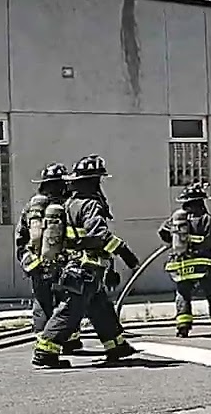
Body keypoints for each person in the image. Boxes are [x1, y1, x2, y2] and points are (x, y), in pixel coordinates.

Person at [31, 155, 140, 369]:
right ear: (93, 181)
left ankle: (116, 345)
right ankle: (45, 350)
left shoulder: (70, 202)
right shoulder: (90, 204)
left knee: (100, 307)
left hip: (77, 267)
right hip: (85, 269)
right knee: (71, 310)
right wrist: (124, 252)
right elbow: (99, 236)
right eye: (98, 179)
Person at [14, 162, 82, 354]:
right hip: (61, 264)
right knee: (66, 301)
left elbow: (22, 239)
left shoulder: (31, 207)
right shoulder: (65, 207)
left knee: (43, 301)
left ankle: (43, 339)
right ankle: (67, 340)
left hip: (37, 263)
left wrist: (30, 263)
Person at [158, 181, 211, 338]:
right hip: (201, 264)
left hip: (180, 264)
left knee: (183, 294)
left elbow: (163, 232)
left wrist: (177, 241)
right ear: (201, 201)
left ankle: (182, 328)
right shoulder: (206, 219)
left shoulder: (176, 219)